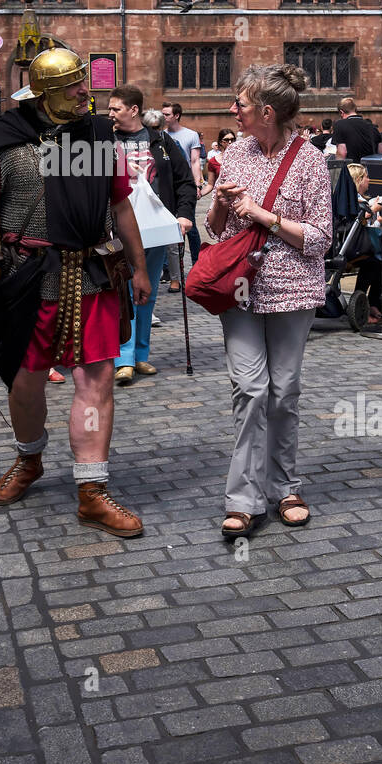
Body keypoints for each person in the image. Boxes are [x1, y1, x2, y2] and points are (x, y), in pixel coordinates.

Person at [0, 46, 151, 538]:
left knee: (96, 381)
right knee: (26, 383)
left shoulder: (96, 137)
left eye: (84, 82)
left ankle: (92, 490)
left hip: (92, 275)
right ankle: (30, 457)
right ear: (44, 93)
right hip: (29, 276)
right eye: (74, 85)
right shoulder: (6, 140)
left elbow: (121, 205)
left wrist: (140, 266)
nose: (86, 91)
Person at [205, 65, 332, 540]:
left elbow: (320, 238)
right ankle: (242, 498)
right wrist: (220, 202)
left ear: (266, 111)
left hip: (292, 289)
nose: (233, 110)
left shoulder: (311, 160)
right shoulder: (235, 151)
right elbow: (218, 231)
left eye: (240, 103)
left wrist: (263, 215)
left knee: (283, 391)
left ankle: (284, 487)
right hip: (239, 288)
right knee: (250, 388)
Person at [108, 85, 195, 385]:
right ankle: (124, 357)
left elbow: (185, 181)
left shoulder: (161, 141)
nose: (110, 113)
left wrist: (183, 215)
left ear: (133, 110)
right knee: (124, 292)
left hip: (155, 229)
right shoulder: (104, 143)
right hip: (117, 231)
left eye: (115, 108)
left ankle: (140, 355)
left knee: (147, 294)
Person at [161, 101, 203, 284]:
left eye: (167, 114)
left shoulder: (190, 135)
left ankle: (197, 264)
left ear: (176, 115)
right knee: (167, 231)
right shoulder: (158, 135)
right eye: (162, 114)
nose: (164, 117)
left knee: (190, 229)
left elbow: (194, 162)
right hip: (166, 188)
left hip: (184, 186)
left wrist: (197, 186)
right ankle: (170, 272)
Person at [347, 163, 382, 323]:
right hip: (352, 249)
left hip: (359, 246)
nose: (369, 180)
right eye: (366, 177)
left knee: (378, 261)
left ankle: (372, 303)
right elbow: (359, 220)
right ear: (358, 180)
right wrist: (373, 210)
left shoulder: (359, 199)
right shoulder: (353, 201)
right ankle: (362, 303)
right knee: (374, 262)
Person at [330, 97, 381, 161]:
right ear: (355, 109)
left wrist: (338, 169)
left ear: (341, 112)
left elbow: (342, 152)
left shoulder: (340, 124)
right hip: (370, 168)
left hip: (352, 168)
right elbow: (380, 153)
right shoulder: (373, 127)